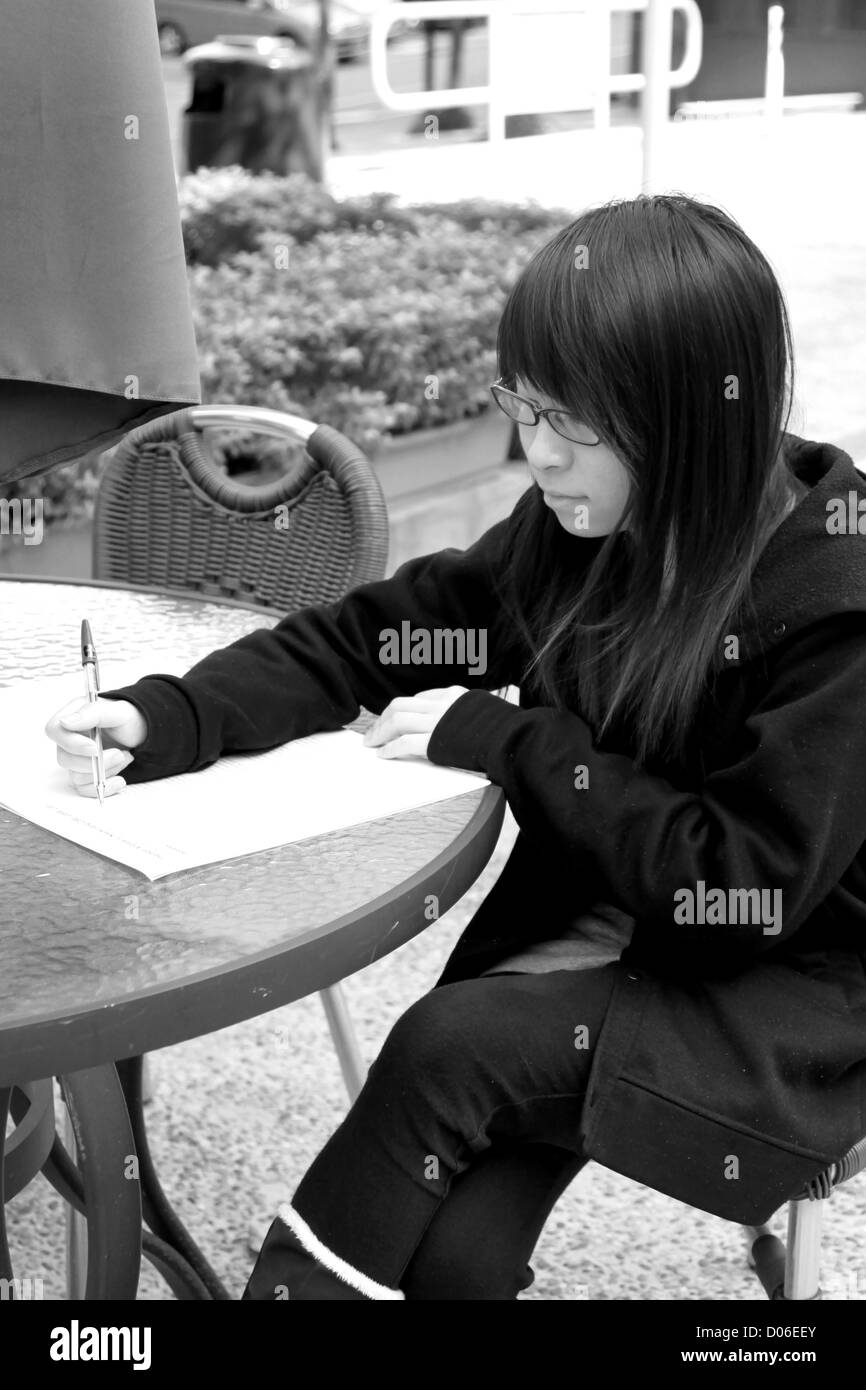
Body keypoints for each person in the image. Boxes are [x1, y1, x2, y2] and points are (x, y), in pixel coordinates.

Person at [44, 194, 866, 1301]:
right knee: (457, 1256)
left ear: (684, 422)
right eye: (522, 410)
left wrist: (505, 736)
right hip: (609, 922)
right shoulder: (577, 534)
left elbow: (736, 890)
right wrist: (166, 716)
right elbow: (371, 636)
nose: (536, 457)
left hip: (785, 991)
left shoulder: (832, 602)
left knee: (450, 1043)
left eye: (569, 424)